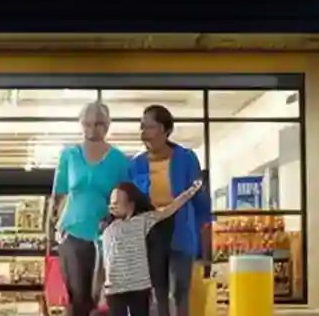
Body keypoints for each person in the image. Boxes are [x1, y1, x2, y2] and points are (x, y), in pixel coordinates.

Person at [128, 105, 214, 316]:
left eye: (150, 127)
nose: (144, 132)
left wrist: (206, 244)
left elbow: (200, 201)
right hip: (150, 235)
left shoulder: (186, 158)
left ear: (166, 130)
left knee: (179, 291)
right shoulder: (135, 165)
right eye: (142, 127)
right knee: (157, 294)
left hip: (181, 232)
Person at [48, 101, 129, 316]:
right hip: (72, 231)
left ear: (108, 125)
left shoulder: (119, 161)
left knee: (100, 299)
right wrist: (52, 231)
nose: (93, 129)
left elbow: (125, 201)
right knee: (77, 296)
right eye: (88, 124)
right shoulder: (69, 155)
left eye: (99, 124)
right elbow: (58, 195)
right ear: (81, 124)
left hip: (105, 236)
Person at [94, 180, 205, 316]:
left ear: (130, 205)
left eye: (117, 202)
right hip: (114, 289)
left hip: (139, 287)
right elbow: (102, 260)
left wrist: (190, 192)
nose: (113, 206)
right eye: (111, 202)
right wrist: (98, 289)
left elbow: (169, 210)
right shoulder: (106, 228)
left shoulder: (142, 221)